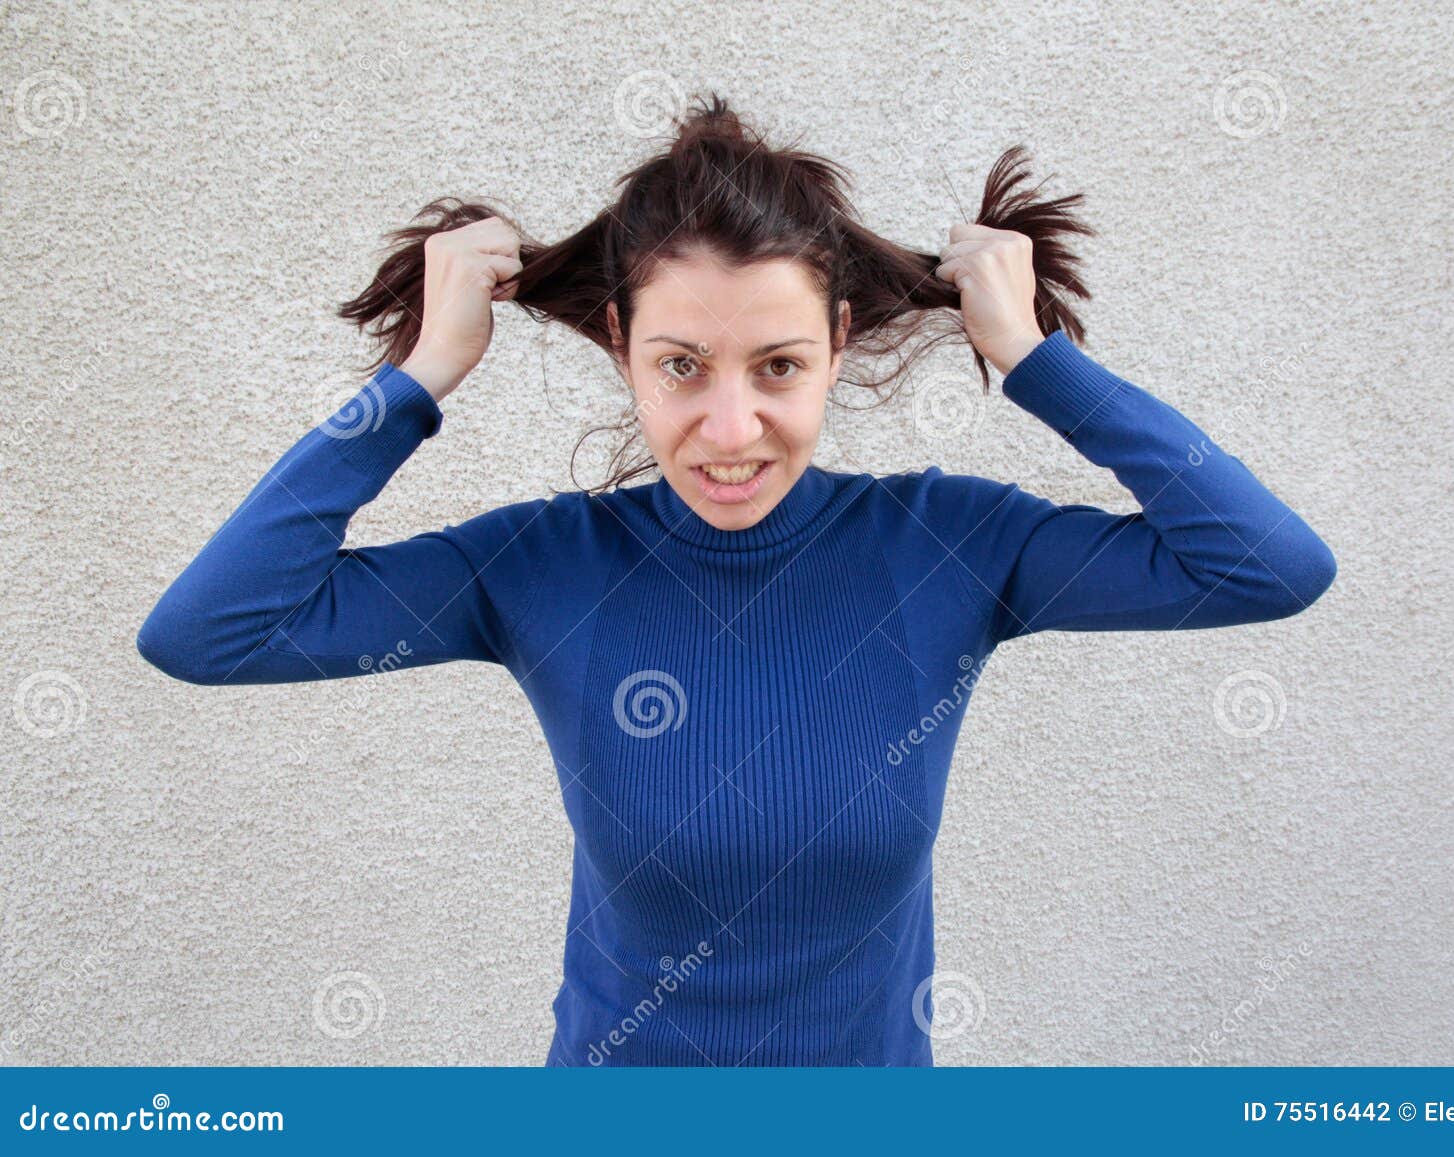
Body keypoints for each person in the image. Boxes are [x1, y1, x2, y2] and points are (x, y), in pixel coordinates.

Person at [137, 94, 1336, 1066]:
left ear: (839, 345)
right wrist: (419, 376)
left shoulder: (950, 545)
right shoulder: (538, 567)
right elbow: (210, 631)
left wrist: (1032, 357)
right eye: (680, 366)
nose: (728, 428)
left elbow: (1267, 565)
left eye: (777, 365)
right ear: (620, 345)